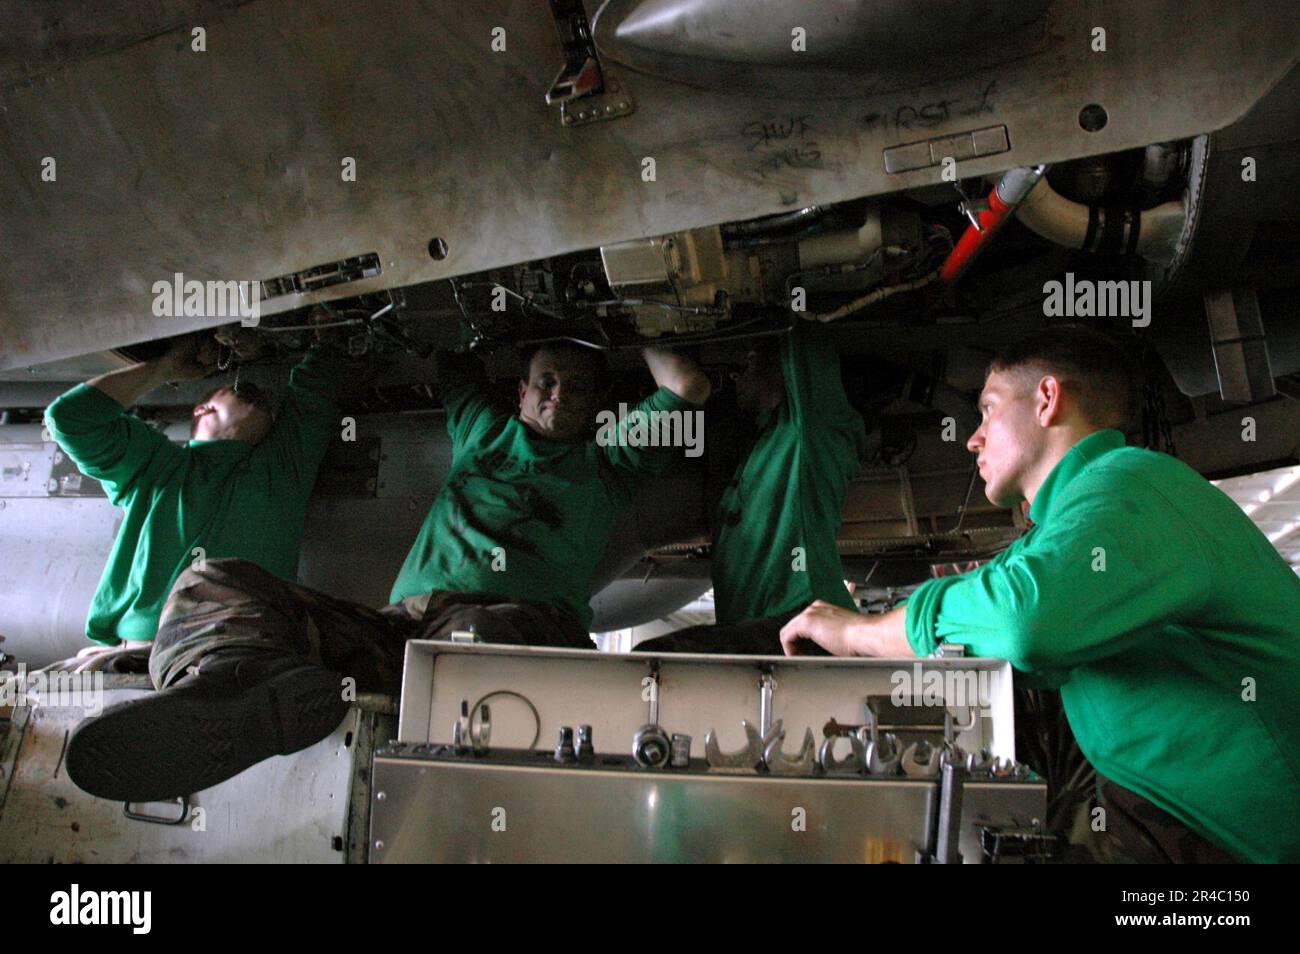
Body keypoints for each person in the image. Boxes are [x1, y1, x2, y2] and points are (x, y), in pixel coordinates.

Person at [65, 342, 710, 801]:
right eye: (546, 378)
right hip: (405, 629)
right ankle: (236, 692)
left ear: (599, 405)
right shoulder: (484, 431)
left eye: (577, 386)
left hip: (516, 628)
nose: (560, 393)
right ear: (520, 390)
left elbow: (687, 389)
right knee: (216, 581)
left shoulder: (608, 462)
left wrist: (629, 330)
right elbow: (447, 355)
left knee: (476, 641)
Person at [778, 324, 1300, 863]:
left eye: (987, 409)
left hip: (1234, 846)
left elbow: (1022, 623)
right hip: (1171, 823)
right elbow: (1003, 608)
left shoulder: (1129, 483)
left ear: (1047, 399)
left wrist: (856, 632)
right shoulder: (1077, 519)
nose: (972, 438)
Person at [43, 332, 357, 657]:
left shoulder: (280, 468)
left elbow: (319, 378)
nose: (254, 392)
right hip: (141, 659)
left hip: (244, 657)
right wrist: (164, 369)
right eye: (234, 390)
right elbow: (68, 419)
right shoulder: (155, 467)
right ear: (201, 410)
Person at [636, 319, 865, 654]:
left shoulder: (811, 431)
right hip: (765, 633)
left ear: (784, 368)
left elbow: (806, 334)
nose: (735, 376)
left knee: (653, 660)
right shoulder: (755, 451)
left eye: (748, 362)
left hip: (805, 621)